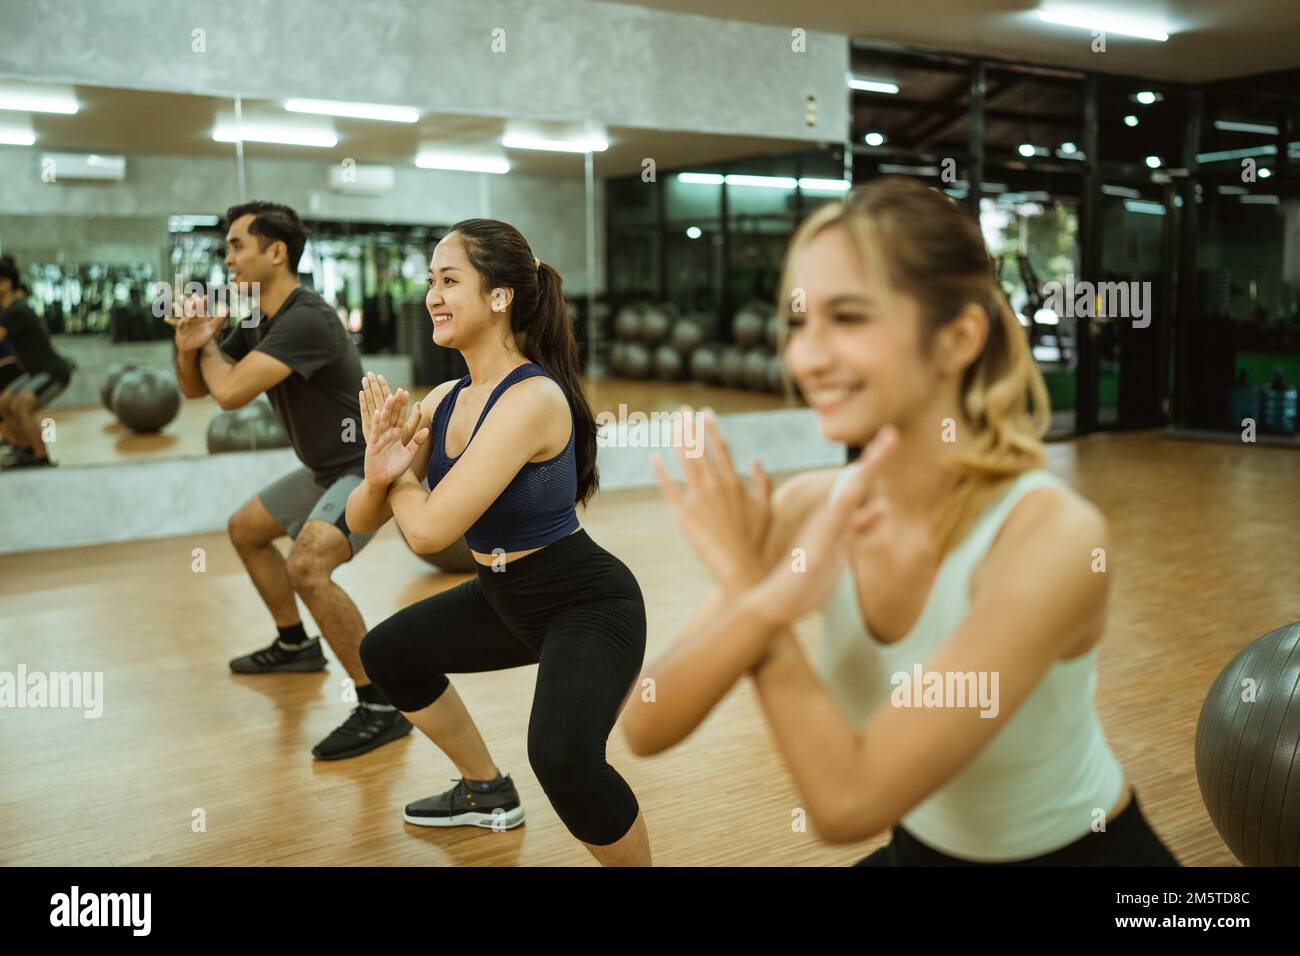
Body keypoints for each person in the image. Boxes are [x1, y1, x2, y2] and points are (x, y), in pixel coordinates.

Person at [622, 177, 1178, 866]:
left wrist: (749, 589)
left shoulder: (1052, 538)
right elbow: (644, 723)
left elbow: (848, 803)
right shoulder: (811, 510)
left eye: (848, 318)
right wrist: (761, 600)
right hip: (916, 851)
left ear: (957, 337)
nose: (807, 357)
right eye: (799, 321)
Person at [346, 219, 651, 866]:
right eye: (430, 280)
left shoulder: (533, 398)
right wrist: (380, 471)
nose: (431, 294)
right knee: (389, 652)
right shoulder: (448, 398)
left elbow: (429, 532)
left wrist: (399, 473)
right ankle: (486, 792)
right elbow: (360, 516)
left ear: (500, 297)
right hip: (506, 598)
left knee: (563, 757)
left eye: (449, 279)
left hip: (586, 604)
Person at [170, 200, 410, 760]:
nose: (227, 258)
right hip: (323, 468)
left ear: (276, 252)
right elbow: (194, 389)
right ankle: (294, 643)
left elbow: (229, 393)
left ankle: (380, 705)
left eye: (237, 246)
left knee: (308, 566)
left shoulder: (306, 318)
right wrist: (191, 347)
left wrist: (204, 345)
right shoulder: (257, 318)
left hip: (366, 469)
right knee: (246, 529)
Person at [0, 258, 73, 469]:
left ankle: (41, 458)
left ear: (6, 283)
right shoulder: (8, 311)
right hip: (34, 372)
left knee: (21, 406)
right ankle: (24, 450)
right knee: (4, 403)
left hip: (53, 371)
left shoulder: (16, 311)